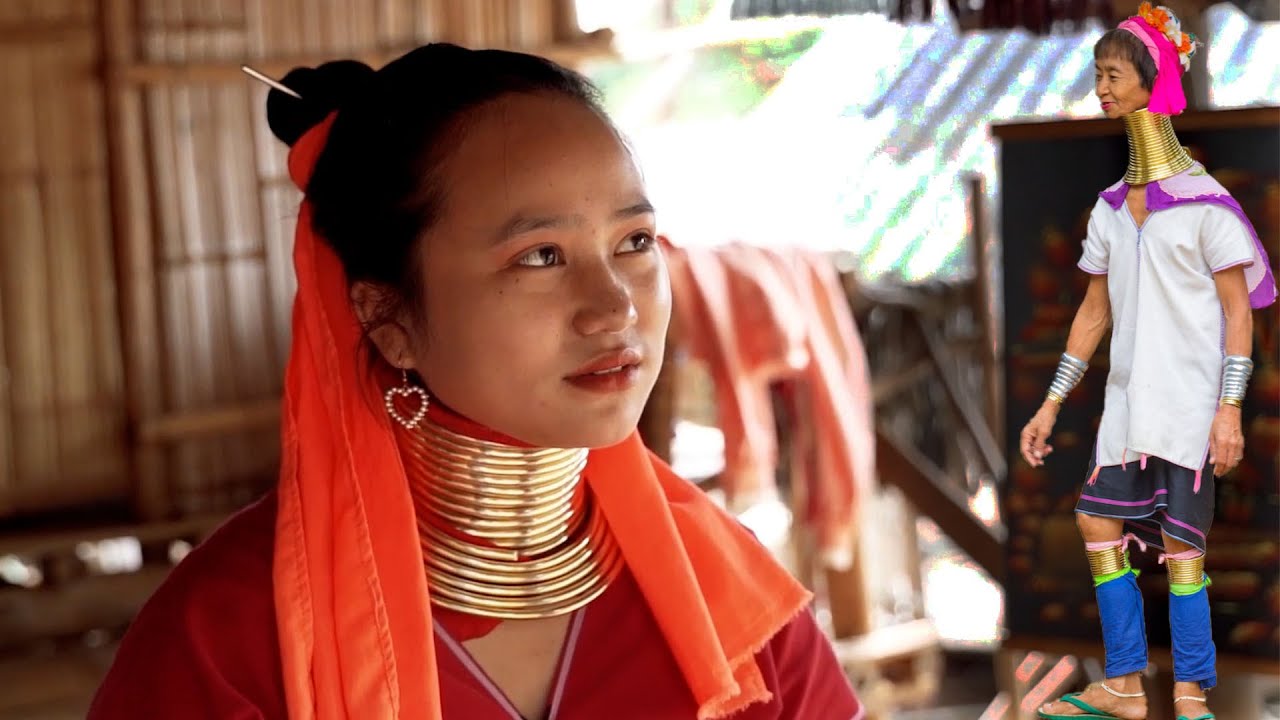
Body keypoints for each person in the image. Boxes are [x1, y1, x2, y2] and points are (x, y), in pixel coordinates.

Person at [87, 44, 863, 719]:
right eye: (540, 256)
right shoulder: (228, 638)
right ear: (386, 315)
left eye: (633, 241)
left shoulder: (732, 607)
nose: (615, 306)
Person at [1021, 5, 1277, 720]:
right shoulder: (1109, 210)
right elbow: (1093, 314)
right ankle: (1129, 687)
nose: (1100, 88)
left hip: (1189, 405)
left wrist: (1228, 410)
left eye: (1112, 75)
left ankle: (1191, 699)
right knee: (1097, 525)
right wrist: (1051, 403)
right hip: (1128, 408)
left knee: (1183, 550)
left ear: (1149, 82)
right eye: (1097, 75)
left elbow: (1237, 313)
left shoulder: (1207, 208)